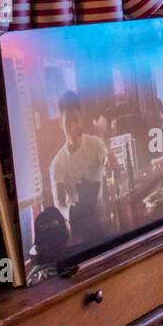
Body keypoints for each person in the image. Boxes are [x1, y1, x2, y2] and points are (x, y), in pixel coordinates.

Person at [48, 90, 113, 242]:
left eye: (76, 119)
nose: (73, 125)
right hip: (79, 230)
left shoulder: (95, 143)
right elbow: (59, 204)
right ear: (60, 123)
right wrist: (71, 215)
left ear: (80, 119)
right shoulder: (57, 164)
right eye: (68, 121)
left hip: (103, 219)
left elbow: (109, 164)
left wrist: (109, 163)